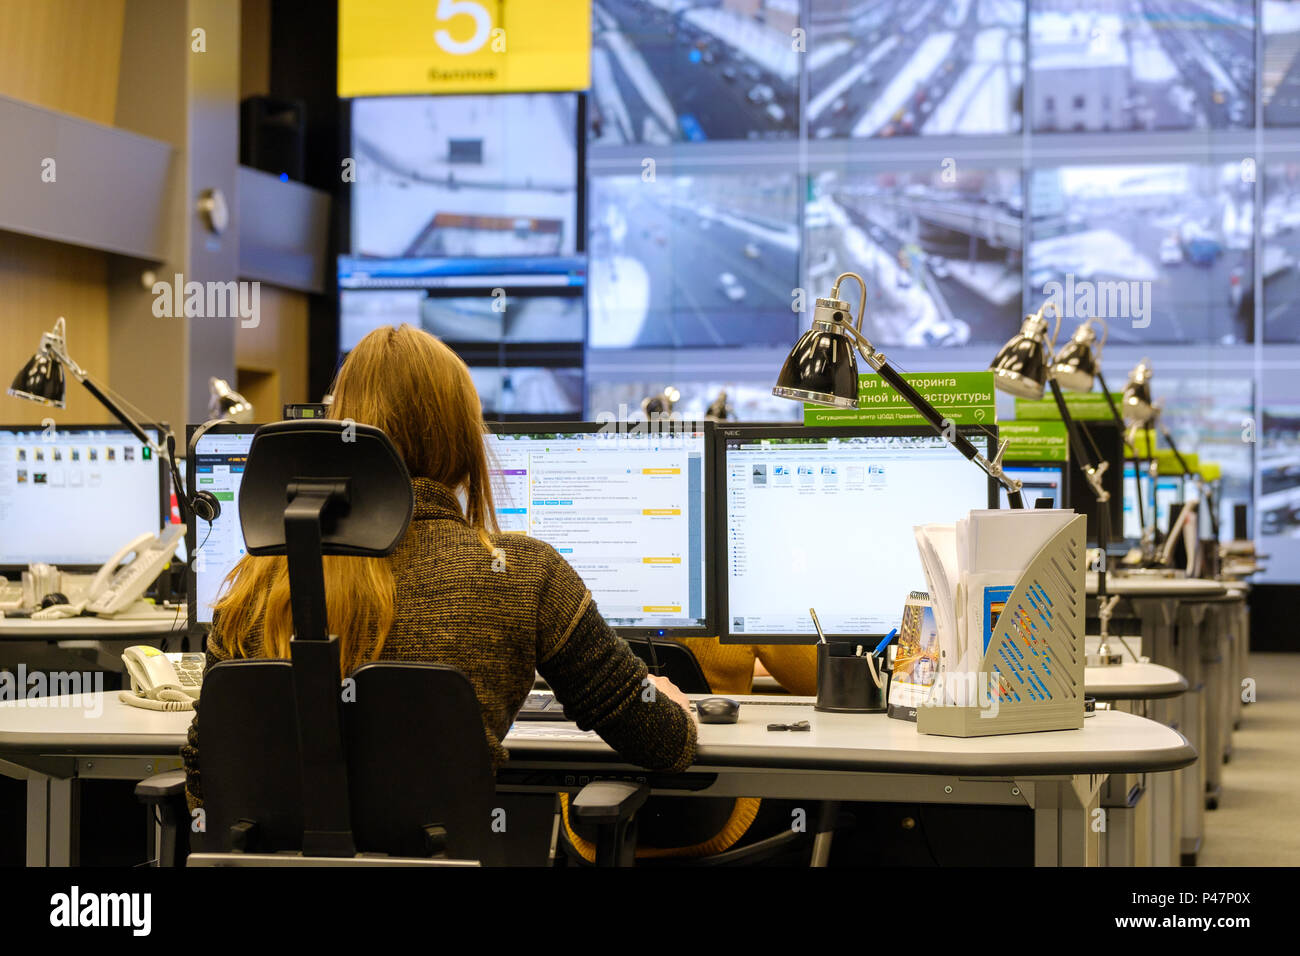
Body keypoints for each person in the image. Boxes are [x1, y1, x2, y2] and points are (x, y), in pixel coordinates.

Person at [181, 324, 697, 811]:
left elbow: (206, 777)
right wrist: (668, 703)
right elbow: (664, 744)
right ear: (462, 436)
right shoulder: (523, 573)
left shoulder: (259, 578)